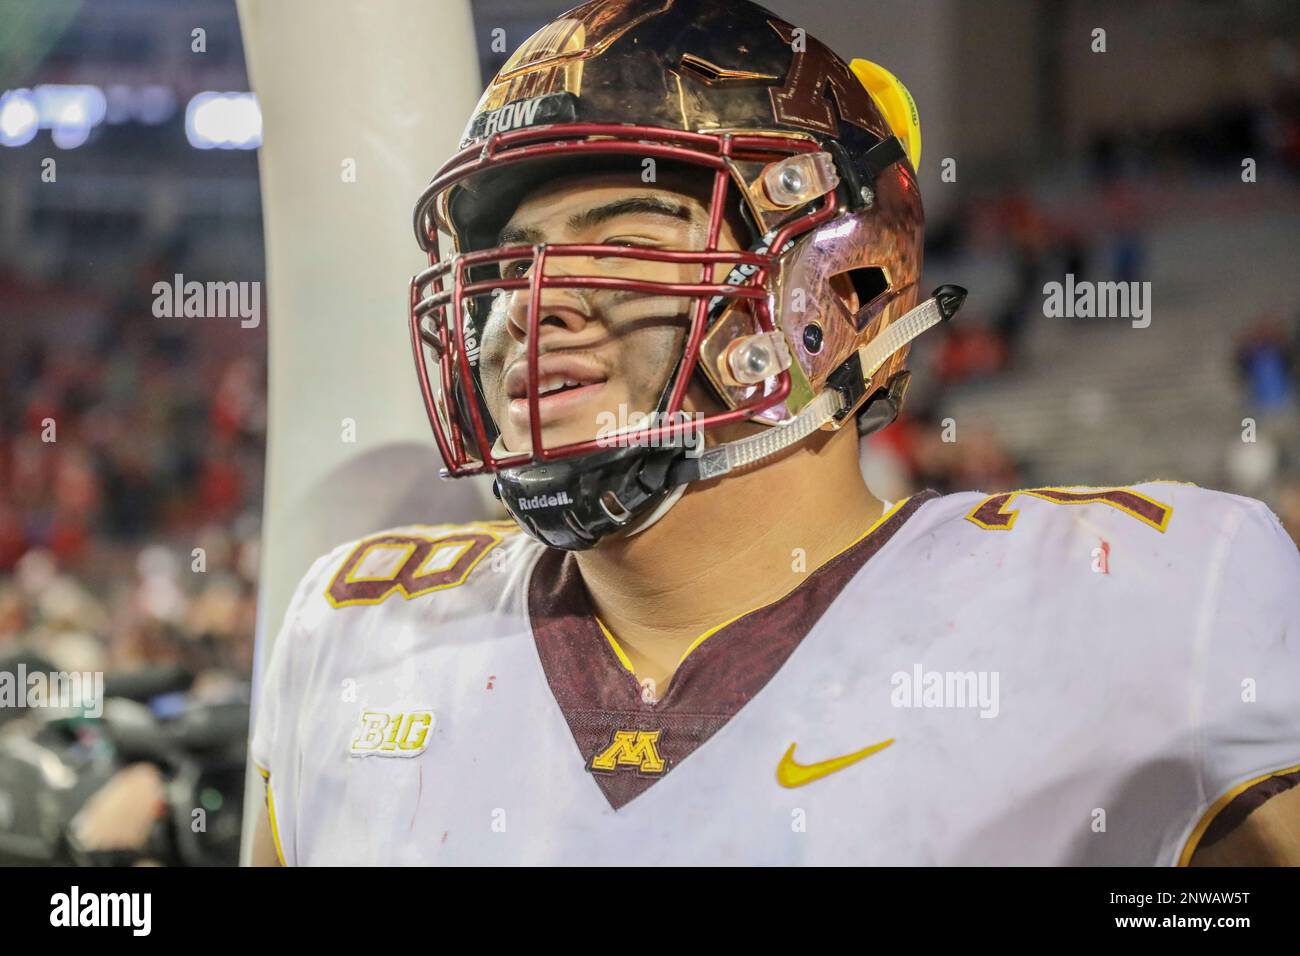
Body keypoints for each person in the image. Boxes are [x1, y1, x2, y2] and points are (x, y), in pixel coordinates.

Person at [249, 0, 1300, 865]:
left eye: (621, 241)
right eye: (512, 257)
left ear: (829, 288)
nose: (532, 302)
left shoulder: (1151, 594)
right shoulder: (355, 634)